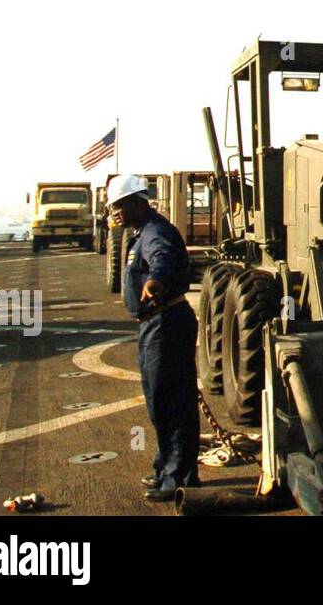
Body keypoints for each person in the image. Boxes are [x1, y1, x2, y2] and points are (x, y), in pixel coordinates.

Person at [107, 173, 200, 502]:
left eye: (118, 205)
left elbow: (162, 259)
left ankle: (179, 477)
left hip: (166, 323)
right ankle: (166, 468)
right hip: (155, 324)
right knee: (159, 401)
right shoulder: (140, 232)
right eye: (111, 207)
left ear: (136, 202)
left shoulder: (155, 232)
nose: (113, 212)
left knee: (171, 401)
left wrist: (154, 282)